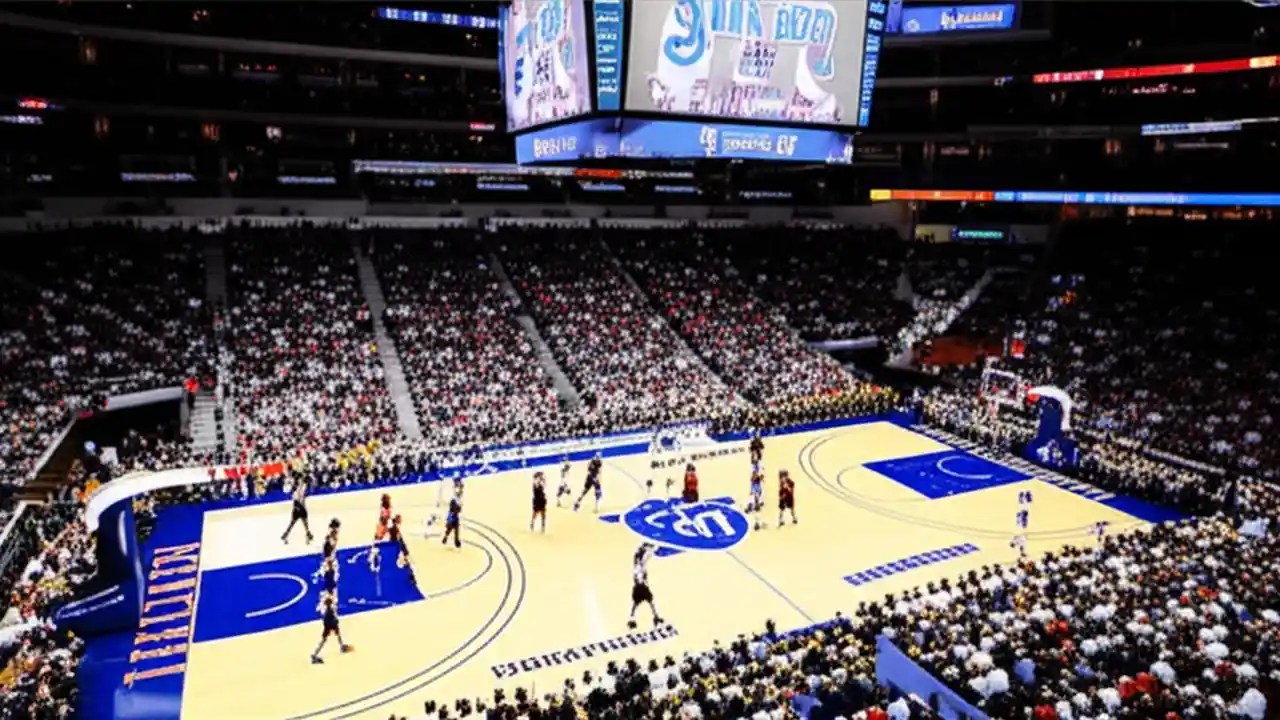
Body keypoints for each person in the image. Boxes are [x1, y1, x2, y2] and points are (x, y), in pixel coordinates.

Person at [627, 542, 664, 631]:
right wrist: (652, 549)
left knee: (636, 603)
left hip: (637, 586)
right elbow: (645, 559)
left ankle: (632, 619)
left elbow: (642, 557)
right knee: (651, 602)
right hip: (642, 586)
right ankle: (656, 618)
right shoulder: (639, 565)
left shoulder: (636, 563)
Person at [310, 591, 353, 664]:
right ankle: (314, 655)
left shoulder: (328, 610)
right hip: (330, 625)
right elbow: (328, 620)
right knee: (324, 640)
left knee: (338, 634)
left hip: (331, 624)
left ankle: (342, 646)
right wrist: (334, 622)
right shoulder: (329, 612)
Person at [281, 478, 313, 544]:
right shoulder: (300, 490)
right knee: (304, 523)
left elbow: (296, 499)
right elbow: (299, 499)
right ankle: (308, 535)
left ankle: (286, 535)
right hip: (300, 508)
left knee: (294, 523)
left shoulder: (297, 491)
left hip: (298, 508)